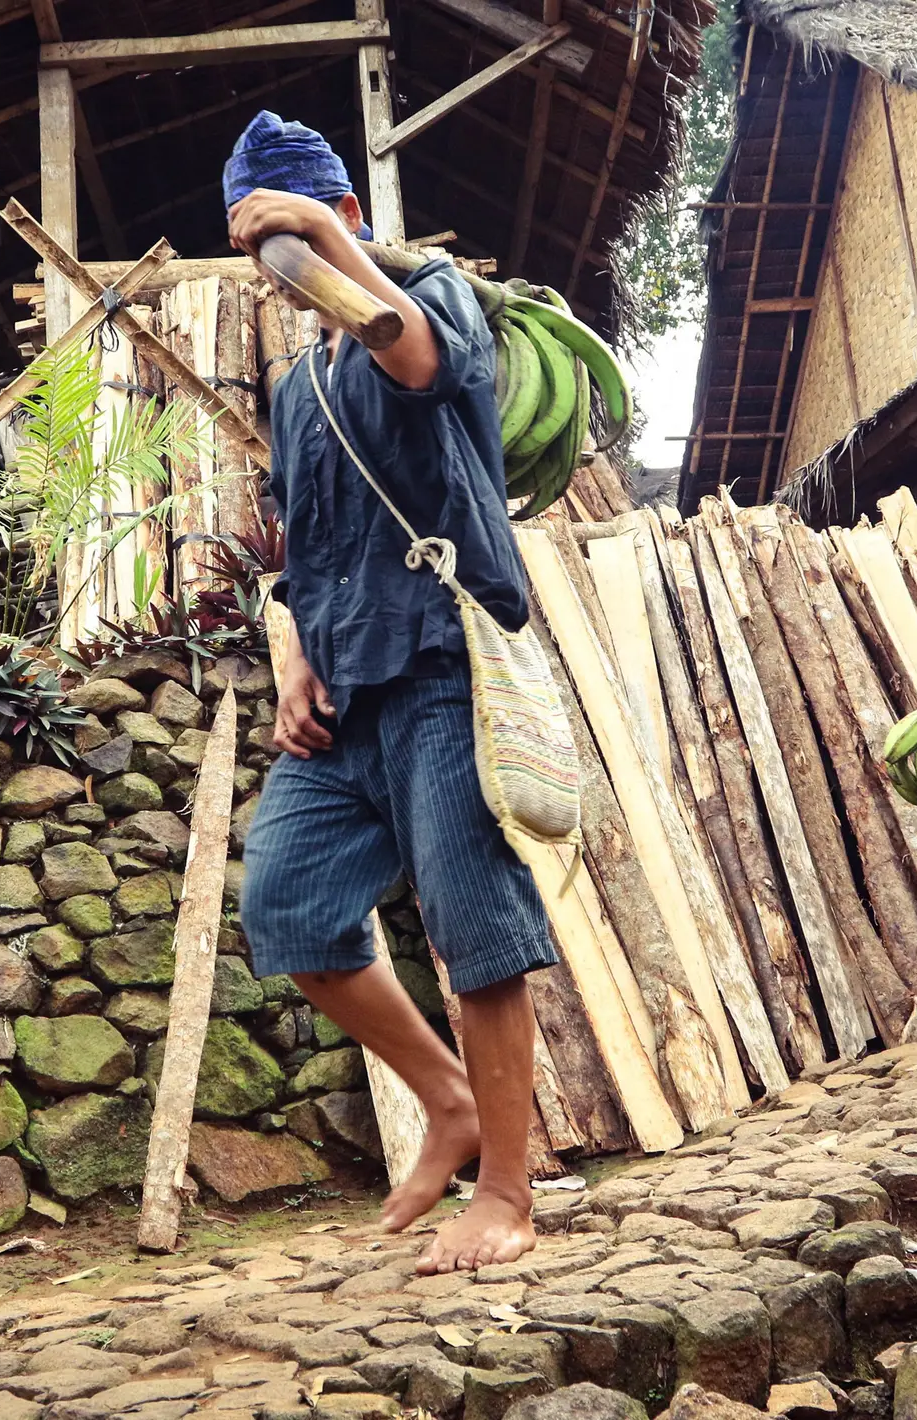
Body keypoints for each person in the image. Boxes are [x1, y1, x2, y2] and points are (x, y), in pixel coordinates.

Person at [225, 112, 555, 1274]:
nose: (269, 261)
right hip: (342, 690)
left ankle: (506, 1196)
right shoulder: (297, 387)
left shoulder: (431, 294)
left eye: (283, 227)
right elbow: (300, 544)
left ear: (347, 214)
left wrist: (324, 240)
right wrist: (296, 656)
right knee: (287, 907)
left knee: (476, 930)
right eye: (251, 239)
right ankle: (446, 1103)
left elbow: (414, 356)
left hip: (437, 665)